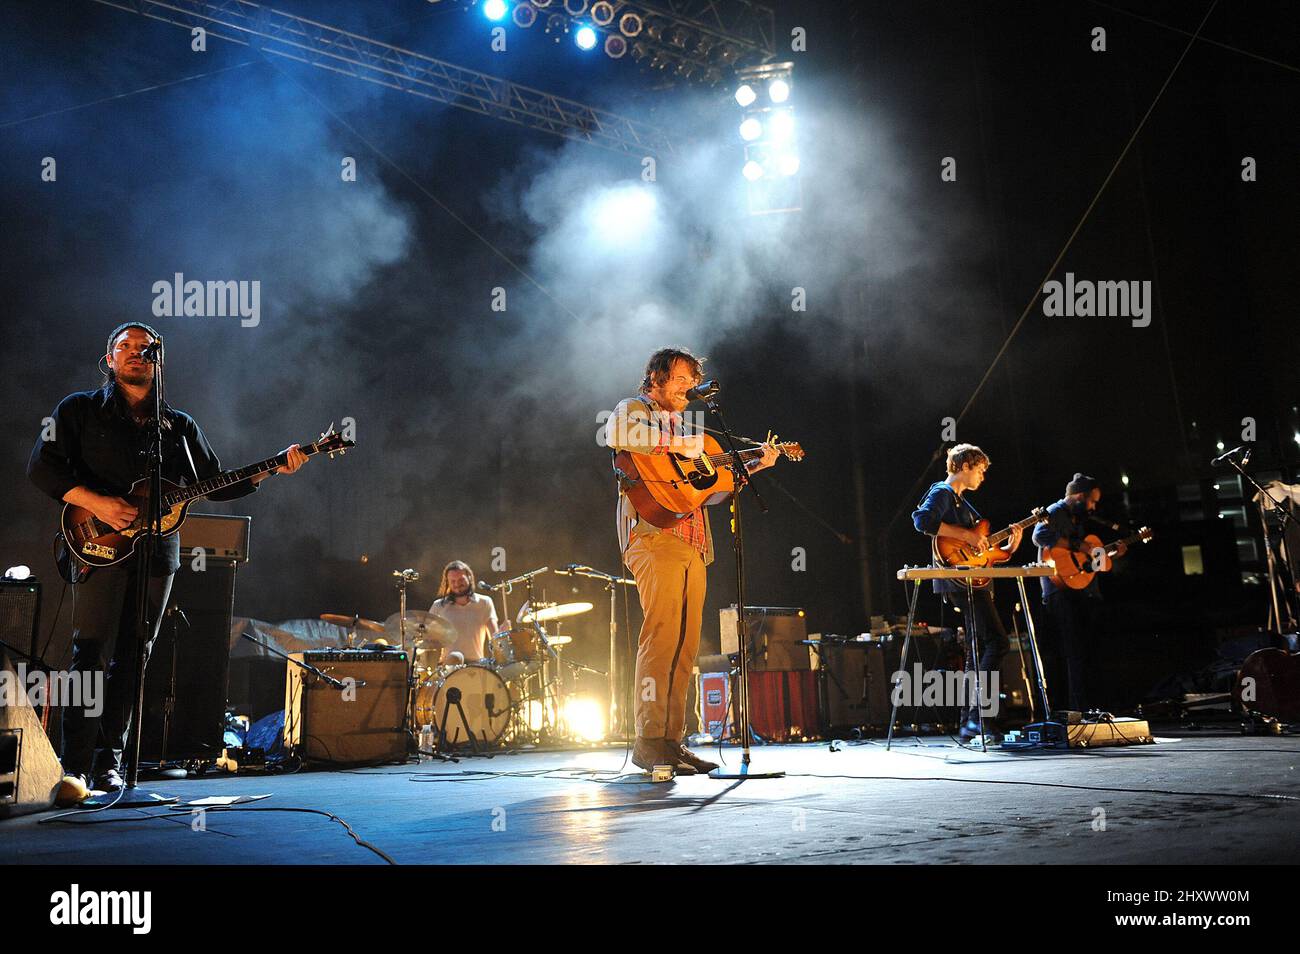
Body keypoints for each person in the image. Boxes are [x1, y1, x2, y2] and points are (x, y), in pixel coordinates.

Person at [28, 322, 307, 798]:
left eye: (146, 348)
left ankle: (108, 765)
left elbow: (216, 482)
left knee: (135, 656)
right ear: (110, 359)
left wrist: (274, 467)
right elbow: (42, 466)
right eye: (126, 347)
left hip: (157, 552)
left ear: (159, 360)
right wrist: (98, 504)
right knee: (90, 652)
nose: (137, 354)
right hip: (97, 544)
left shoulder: (177, 426)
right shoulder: (77, 411)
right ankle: (73, 766)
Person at [605, 347, 778, 775]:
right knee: (661, 638)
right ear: (656, 379)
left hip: (693, 543)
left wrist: (755, 465)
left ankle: (672, 740)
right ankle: (647, 741)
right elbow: (617, 434)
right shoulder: (635, 409)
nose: (688, 388)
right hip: (653, 535)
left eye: (692, 380)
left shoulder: (687, 428)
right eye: (680, 379)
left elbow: (709, 489)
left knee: (685, 647)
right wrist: (682, 442)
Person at [911, 443, 1023, 743]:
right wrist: (966, 535)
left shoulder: (962, 502)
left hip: (972, 579)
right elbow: (922, 521)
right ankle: (978, 718)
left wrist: (1010, 547)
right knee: (997, 642)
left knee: (977, 650)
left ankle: (970, 721)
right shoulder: (942, 493)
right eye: (980, 470)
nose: (982, 477)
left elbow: (981, 548)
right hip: (960, 580)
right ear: (964, 467)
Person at [1031, 473, 1127, 712]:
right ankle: (1076, 709)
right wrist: (1079, 546)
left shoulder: (1077, 519)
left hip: (1080, 588)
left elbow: (1086, 562)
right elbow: (1039, 536)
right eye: (1091, 501)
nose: (1094, 506)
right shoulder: (1054, 511)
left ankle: (1088, 706)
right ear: (1078, 496)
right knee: (1072, 651)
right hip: (1058, 590)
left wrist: (1111, 555)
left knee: (1084, 651)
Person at [427, 560, 499, 666]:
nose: (457, 584)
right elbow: (427, 636)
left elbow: (494, 637)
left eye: (461, 580)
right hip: (448, 666)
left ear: (469, 577)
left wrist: (502, 635)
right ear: (447, 583)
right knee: (454, 657)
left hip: (477, 665)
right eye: (453, 581)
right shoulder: (439, 606)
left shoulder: (485, 602)